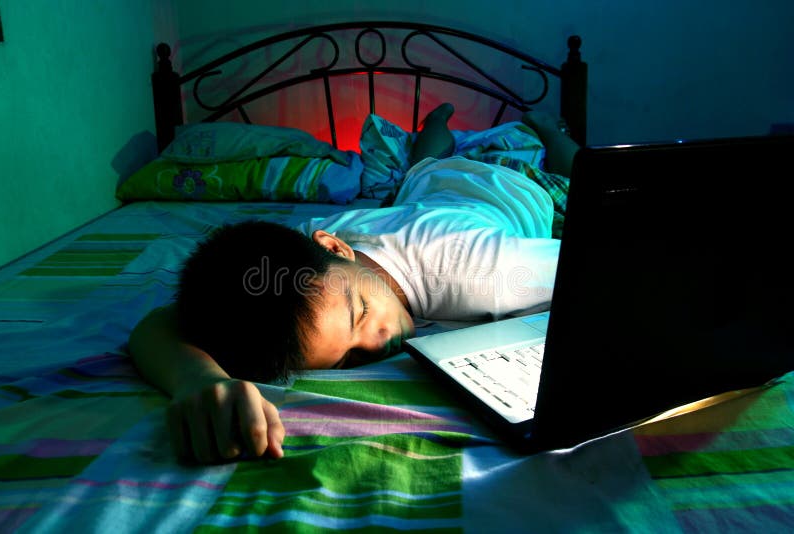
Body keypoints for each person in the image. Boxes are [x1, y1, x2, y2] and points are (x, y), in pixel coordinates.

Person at [128, 104, 580, 464]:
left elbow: (602, 268)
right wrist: (197, 380)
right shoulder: (301, 254)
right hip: (419, 190)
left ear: (335, 248)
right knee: (424, 161)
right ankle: (435, 121)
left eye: (360, 312)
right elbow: (161, 323)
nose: (379, 344)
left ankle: (545, 127)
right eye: (347, 358)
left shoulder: (488, 272)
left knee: (572, 174)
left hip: (513, 184)